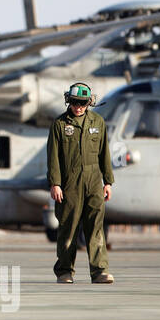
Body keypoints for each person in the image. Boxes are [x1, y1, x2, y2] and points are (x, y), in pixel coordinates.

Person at [47, 81, 114, 284]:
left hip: (94, 183)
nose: (79, 107)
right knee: (68, 227)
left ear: (89, 103)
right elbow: (53, 157)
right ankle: (65, 271)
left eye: (83, 104)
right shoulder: (60, 125)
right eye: (75, 103)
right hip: (69, 184)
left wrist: (108, 181)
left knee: (95, 227)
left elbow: (105, 154)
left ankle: (99, 271)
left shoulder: (98, 123)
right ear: (69, 101)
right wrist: (55, 183)